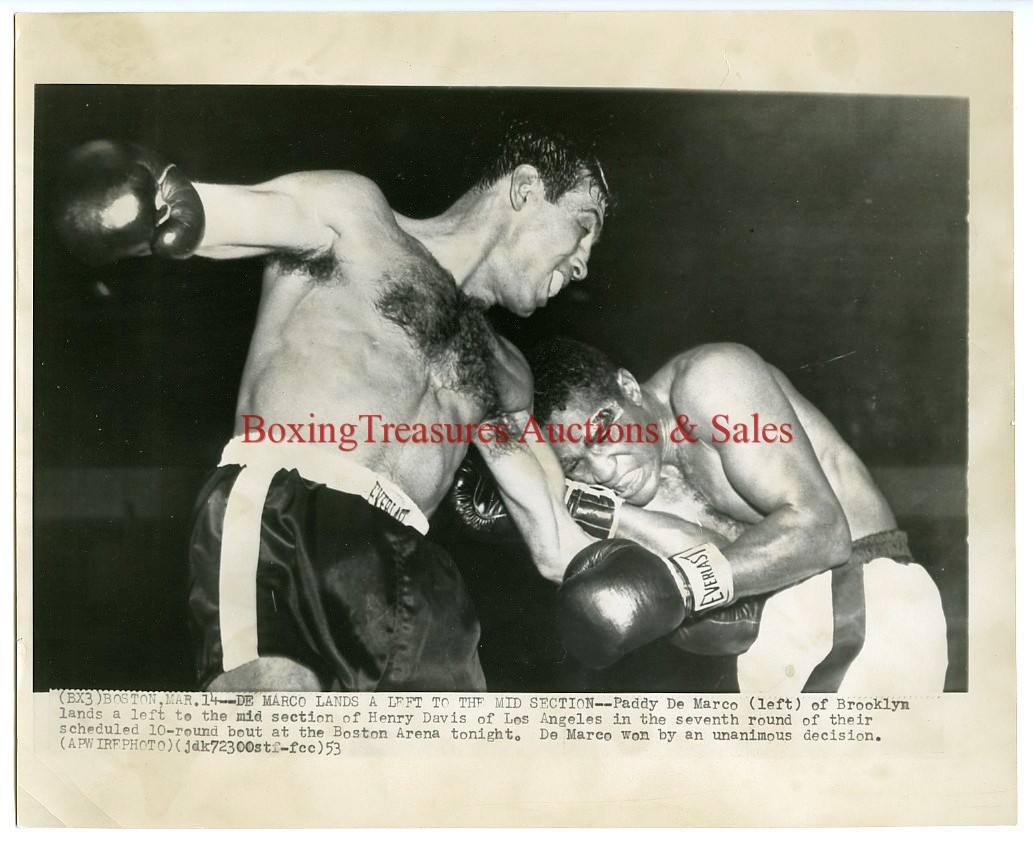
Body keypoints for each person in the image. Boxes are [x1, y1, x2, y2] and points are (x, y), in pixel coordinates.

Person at [54, 127, 632, 692]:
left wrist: (672, 578)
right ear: (525, 188)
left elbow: (557, 538)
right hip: (292, 517)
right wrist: (151, 205)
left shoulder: (507, 373)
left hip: (422, 574)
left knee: (446, 755)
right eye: (583, 227)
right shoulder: (357, 220)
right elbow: (202, 213)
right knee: (280, 744)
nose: (583, 262)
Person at [524, 337, 949, 694]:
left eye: (601, 433)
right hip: (780, 630)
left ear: (628, 388)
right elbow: (728, 561)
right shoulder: (629, 479)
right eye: (575, 464)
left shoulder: (711, 381)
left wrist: (683, 586)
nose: (603, 470)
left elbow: (823, 531)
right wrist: (599, 513)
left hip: (860, 589)